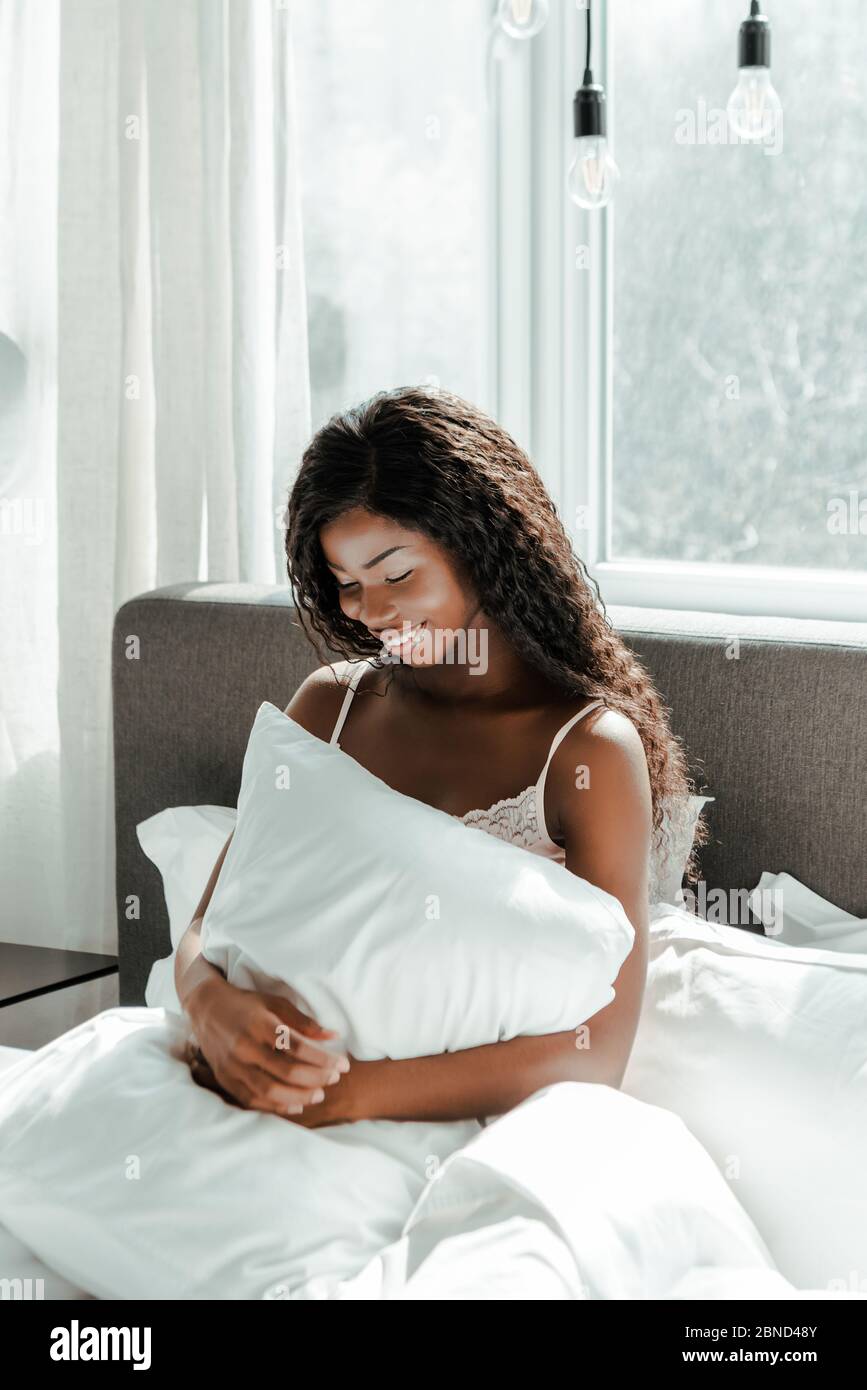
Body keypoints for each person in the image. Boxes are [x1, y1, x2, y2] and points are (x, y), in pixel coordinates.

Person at [175, 386, 706, 1127]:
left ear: (481, 546)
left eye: (396, 574)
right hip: (242, 1093)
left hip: (445, 1125)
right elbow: (207, 921)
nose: (373, 612)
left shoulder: (586, 752)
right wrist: (210, 1006)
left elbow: (597, 1048)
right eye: (348, 586)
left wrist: (346, 1095)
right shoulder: (328, 709)